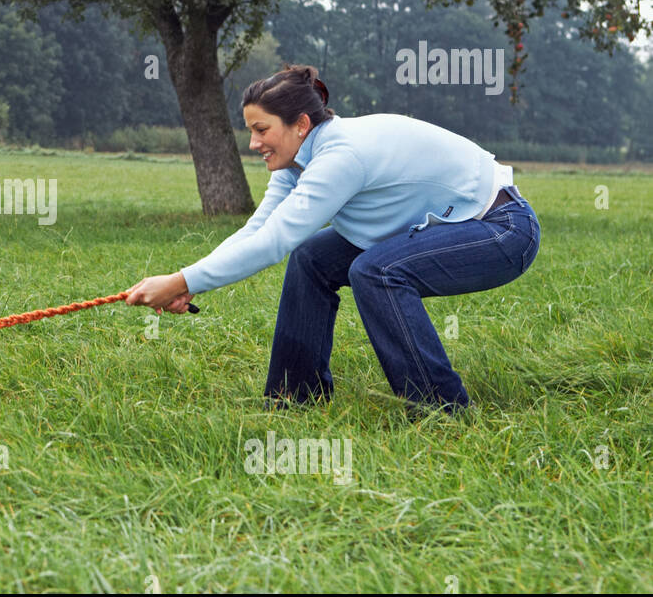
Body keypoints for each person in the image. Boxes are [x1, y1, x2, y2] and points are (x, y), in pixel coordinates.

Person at [125, 64, 541, 412]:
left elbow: (274, 242)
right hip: (454, 224)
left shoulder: (341, 156)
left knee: (376, 272)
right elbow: (259, 230)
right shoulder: (298, 158)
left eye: (261, 129)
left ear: (300, 124)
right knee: (312, 258)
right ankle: (294, 398)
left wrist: (180, 283)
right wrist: (187, 279)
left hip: (503, 231)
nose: (253, 143)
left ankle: (441, 409)